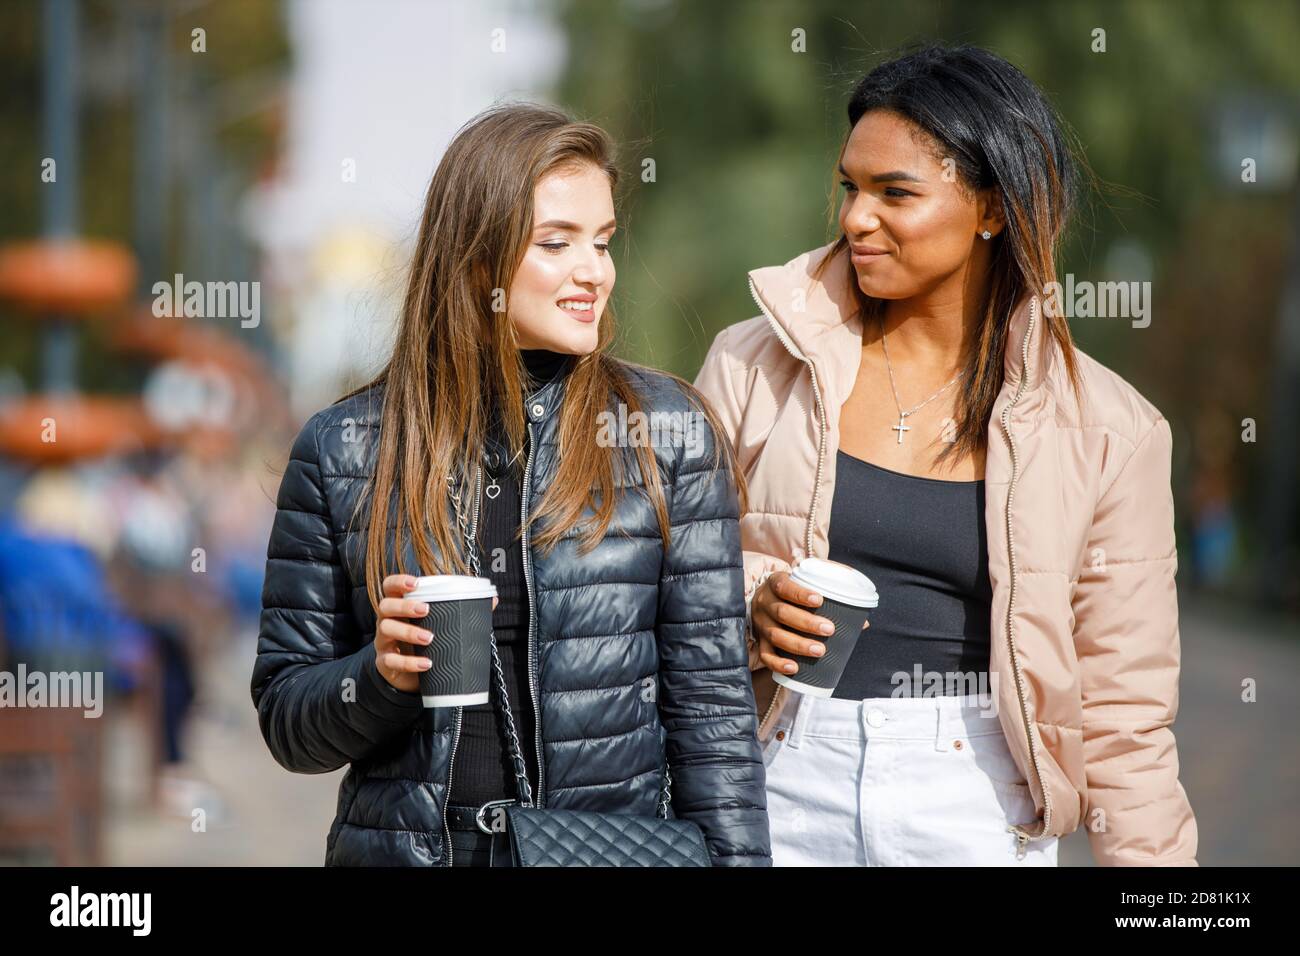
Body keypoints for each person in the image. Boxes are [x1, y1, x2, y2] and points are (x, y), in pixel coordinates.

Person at [694, 45, 1197, 866]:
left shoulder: (1111, 430)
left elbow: (1124, 713)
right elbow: (662, 566)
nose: (857, 217)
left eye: (896, 193)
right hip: (775, 774)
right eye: (852, 187)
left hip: (974, 801)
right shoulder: (752, 365)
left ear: (992, 209)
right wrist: (753, 600)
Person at [251, 103, 770, 866]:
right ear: (478, 259)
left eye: (601, 242)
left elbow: (713, 713)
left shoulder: (667, 433)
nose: (593, 270)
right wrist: (381, 676)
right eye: (557, 243)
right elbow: (287, 722)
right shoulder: (344, 449)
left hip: (608, 853)